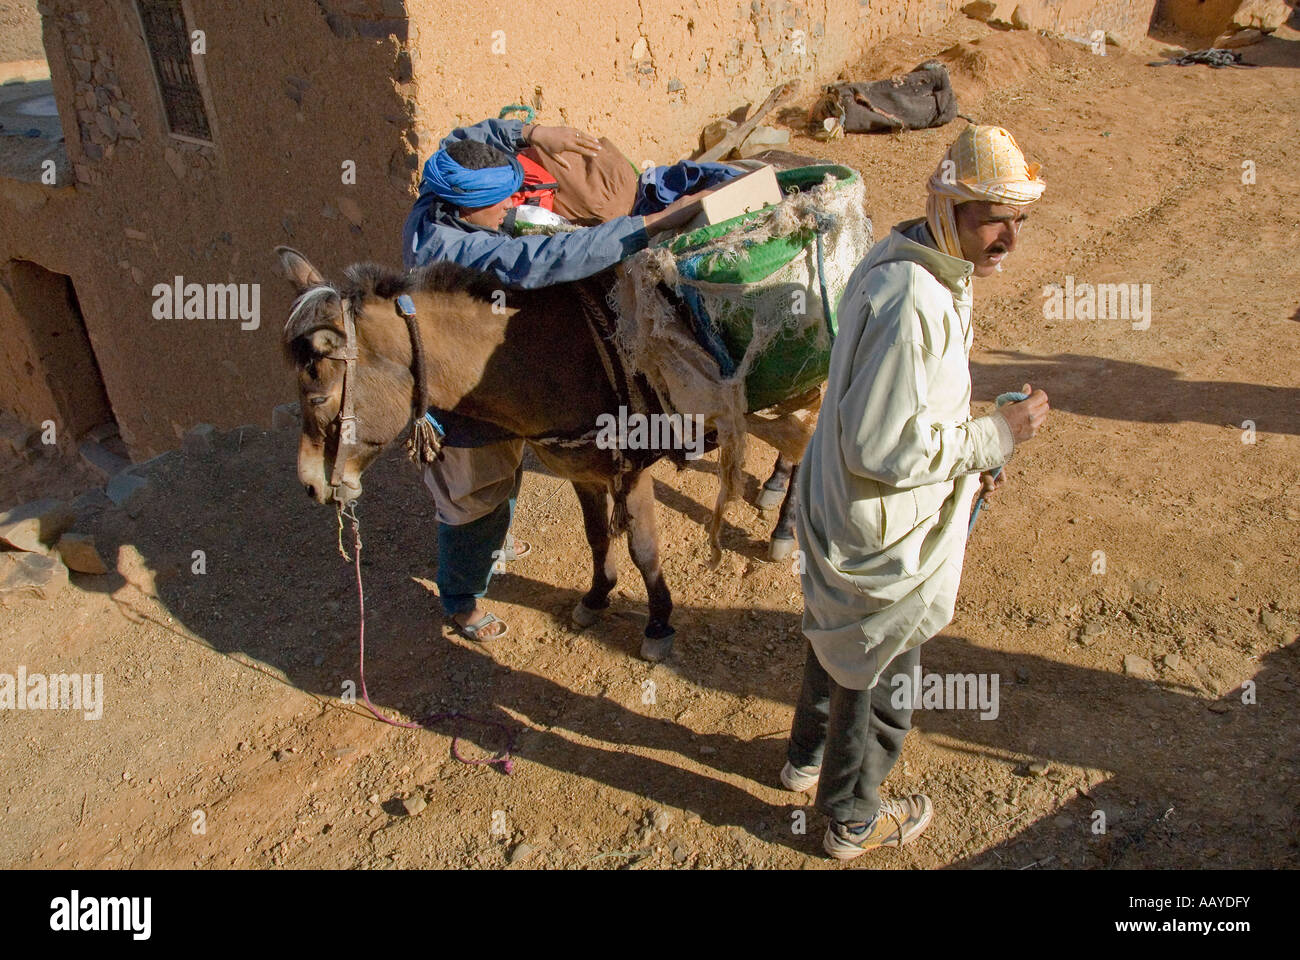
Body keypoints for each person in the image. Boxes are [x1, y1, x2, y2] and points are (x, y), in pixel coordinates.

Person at [780, 125, 1051, 859]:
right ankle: (851, 820)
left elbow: (896, 413)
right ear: (949, 206)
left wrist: (972, 440)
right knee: (884, 683)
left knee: (838, 643)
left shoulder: (910, 264)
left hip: (846, 511)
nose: (1008, 238)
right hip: (882, 536)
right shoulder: (916, 300)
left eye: (1017, 219)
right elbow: (882, 445)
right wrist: (997, 434)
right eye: (993, 217)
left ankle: (802, 760)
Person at [401, 117, 723, 642]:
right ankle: (461, 602)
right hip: (459, 394)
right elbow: (544, 257)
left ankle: (495, 546)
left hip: (488, 373)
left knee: (506, 474)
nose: (511, 208)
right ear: (466, 208)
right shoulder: (454, 250)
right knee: (471, 497)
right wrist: (652, 225)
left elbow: (465, 136)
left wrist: (530, 134)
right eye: (502, 202)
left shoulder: (438, 186)